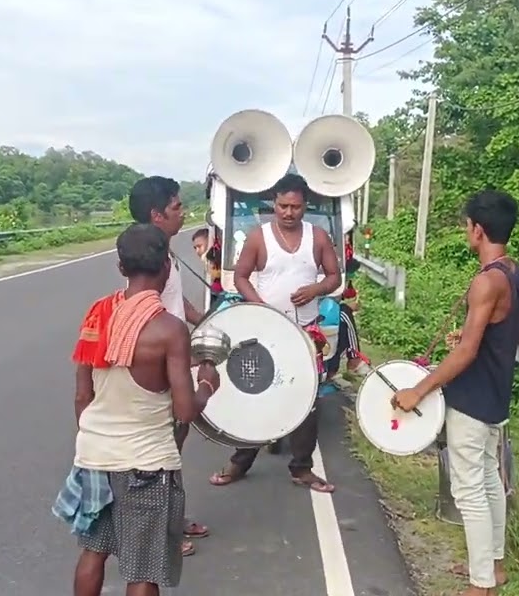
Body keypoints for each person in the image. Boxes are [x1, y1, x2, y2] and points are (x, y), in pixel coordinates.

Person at [389, 190, 519, 596]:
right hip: (497, 396)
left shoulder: (486, 281)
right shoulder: (514, 271)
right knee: (490, 481)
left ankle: (480, 587)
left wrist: (418, 390)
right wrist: (484, 335)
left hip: (472, 399)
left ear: (477, 229)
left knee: (469, 490)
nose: (465, 231)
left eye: (466, 225)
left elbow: (467, 353)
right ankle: (493, 567)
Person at [55, 223, 221, 596]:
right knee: (142, 568)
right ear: (167, 266)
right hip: (145, 463)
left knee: (93, 552)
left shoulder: (98, 316)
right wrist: (208, 383)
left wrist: (99, 439)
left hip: (95, 456)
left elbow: (83, 397)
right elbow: (185, 411)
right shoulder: (168, 329)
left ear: (120, 267)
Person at [209, 173, 343, 494]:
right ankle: (240, 462)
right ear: (274, 204)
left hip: (307, 332)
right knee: (260, 394)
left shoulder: (318, 237)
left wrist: (315, 289)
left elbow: (334, 276)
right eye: (283, 206)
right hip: (267, 330)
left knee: (307, 399)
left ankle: (302, 468)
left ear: (305, 206)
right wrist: (260, 307)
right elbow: (241, 277)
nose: (289, 212)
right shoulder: (259, 237)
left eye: (295, 207)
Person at [127, 176, 210, 555]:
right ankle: (161, 533)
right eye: (177, 207)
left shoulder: (167, 254)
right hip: (163, 371)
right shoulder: (150, 261)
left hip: (174, 360)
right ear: (156, 214)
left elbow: (180, 306)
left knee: (173, 449)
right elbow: (153, 321)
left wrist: (209, 319)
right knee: (161, 454)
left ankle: (171, 519)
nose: (183, 213)